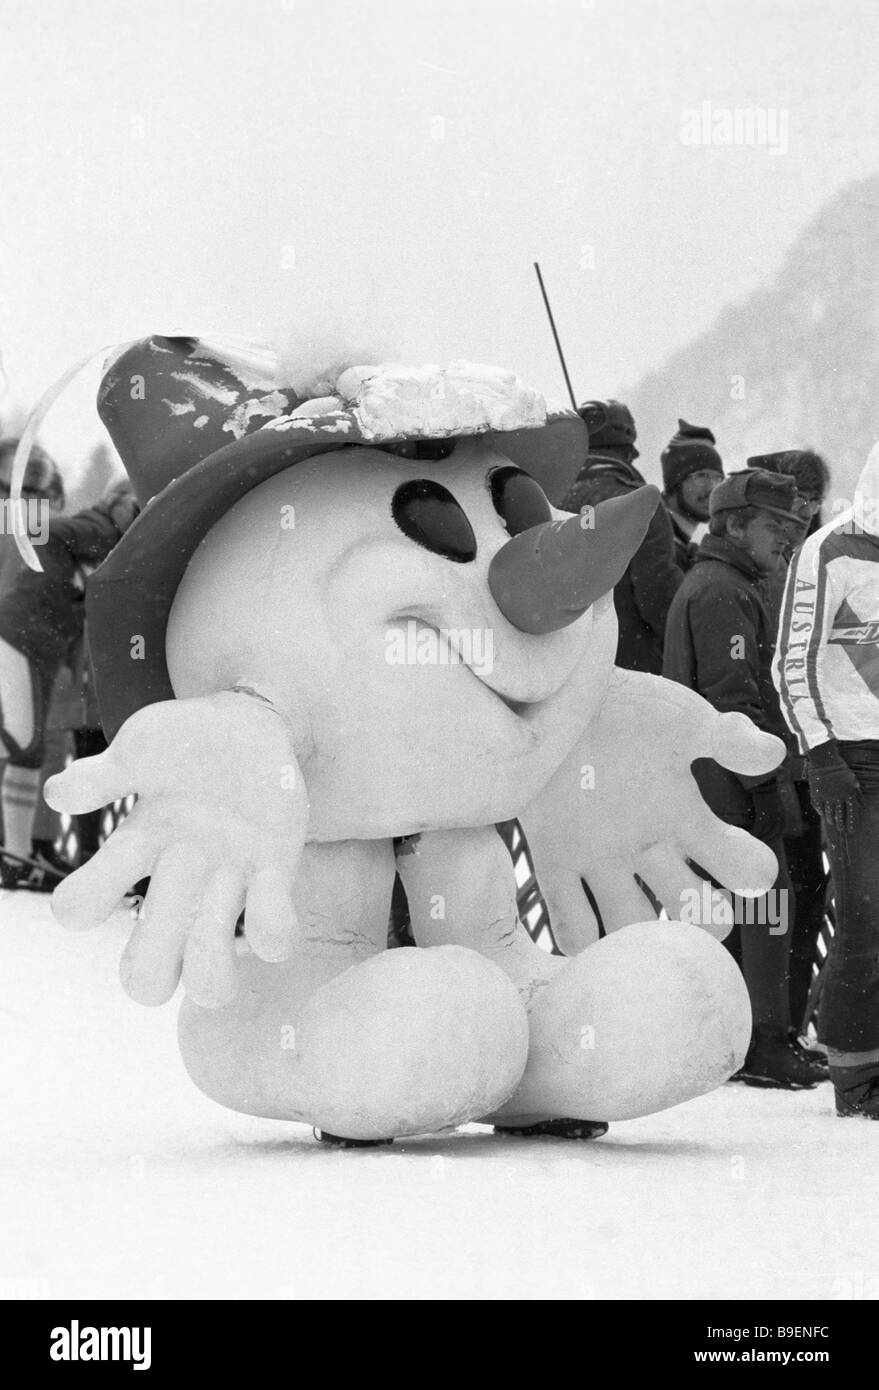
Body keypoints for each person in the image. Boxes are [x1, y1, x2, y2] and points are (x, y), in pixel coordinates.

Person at [663, 468, 827, 1088]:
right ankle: (764, 1044)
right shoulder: (722, 592)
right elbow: (735, 701)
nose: (786, 541)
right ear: (734, 524)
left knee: (743, 909)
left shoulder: (725, 583)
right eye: (775, 528)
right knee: (768, 906)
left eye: (792, 530)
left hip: (720, 776)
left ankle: (741, 1040)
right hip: (731, 779)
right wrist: (768, 785)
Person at [774, 440, 879, 1118]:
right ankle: (853, 1068)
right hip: (853, 762)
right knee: (864, 912)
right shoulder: (831, 550)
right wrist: (820, 755)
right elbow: (793, 660)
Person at [0, 477, 138, 889]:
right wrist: (57, 588)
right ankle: (18, 857)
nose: (135, 517)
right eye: (132, 507)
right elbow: (50, 533)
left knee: (28, 745)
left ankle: (22, 854)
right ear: (114, 502)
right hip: (20, 635)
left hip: (34, 641)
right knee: (24, 744)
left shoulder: (103, 535)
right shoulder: (98, 530)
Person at [749, 449, 832, 1031]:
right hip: (795, 757)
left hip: (802, 754)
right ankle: (781, 1023)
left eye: (809, 495)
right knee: (793, 896)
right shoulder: (791, 568)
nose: (803, 507)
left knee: (798, 895)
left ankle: (787, 1021)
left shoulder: (797, 561)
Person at [561, 399, 682, 673]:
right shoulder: (641, 501)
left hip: (565, 667)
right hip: (634, 665)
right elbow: (658, 593)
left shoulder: (545, 497)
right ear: (628, 452)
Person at [661, 419, 725, 571]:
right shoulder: (657, 544)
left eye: (718, 478)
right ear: (675, 482)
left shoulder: (676, 544)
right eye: (701, 475)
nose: (712, 488)